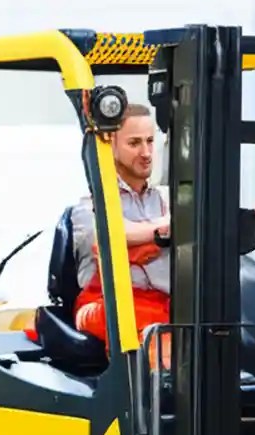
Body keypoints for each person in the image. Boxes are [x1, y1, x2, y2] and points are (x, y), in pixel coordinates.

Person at [70, 103, 172, 348]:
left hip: (162, 304)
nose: (146, 152)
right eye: (134, 143)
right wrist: (164, 229)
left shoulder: (165, 201)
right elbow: (111, 233)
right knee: (153, 335)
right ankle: (157, 384)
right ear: (110, 144)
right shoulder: (90, 206)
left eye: (149, 141)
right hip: (103, 304)